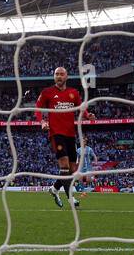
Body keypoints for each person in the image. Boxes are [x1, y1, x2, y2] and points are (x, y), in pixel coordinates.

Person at [35, 67, 94, 209]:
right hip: (56, 133)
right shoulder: (47, 92)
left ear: (66, 77)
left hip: (70, 134)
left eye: (61, 74)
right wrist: (42, 121)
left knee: (72, 170)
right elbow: (38, 108)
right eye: (57, 74)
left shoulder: (74, 93)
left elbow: (81, 107)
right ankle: (70, 198)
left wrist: (87, 115)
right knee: (64, 166)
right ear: (54, 76)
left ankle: (54, 189)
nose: (59, 76)